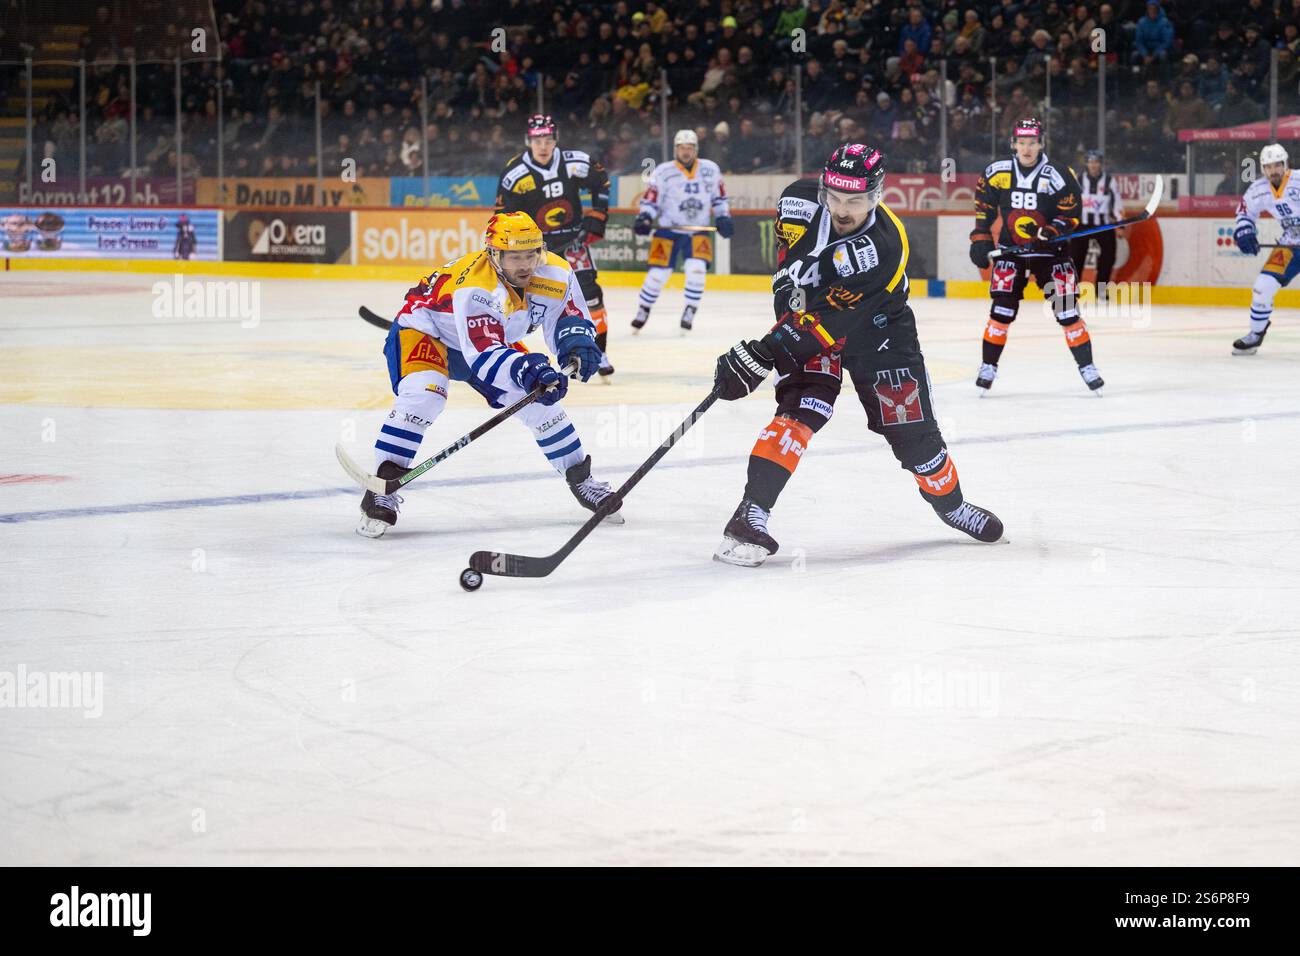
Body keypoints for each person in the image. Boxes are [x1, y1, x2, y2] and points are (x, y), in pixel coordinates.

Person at [709, 144, 1004, 567]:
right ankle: (749, 516)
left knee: (915, 439)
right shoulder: (797, 201)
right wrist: (762, 351)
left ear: (877, 195)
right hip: (811, 316)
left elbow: (839, 321)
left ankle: (951, 505)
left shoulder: (886, 245)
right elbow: (789, 279)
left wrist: (770, 350)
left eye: (855, 200)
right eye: (835, 197)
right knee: (802, 408)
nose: (842, 209)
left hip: (880, 331)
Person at [358, 212, 621, 537]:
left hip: (489, 341)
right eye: (514, 257)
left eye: (531, 254)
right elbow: (483, 356)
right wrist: (529, 369)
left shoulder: (555, 271)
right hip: (426, 330)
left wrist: (577, 343)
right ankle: (383, 485)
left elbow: (568, 313)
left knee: (539, 404)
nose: (525, 265)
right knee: (426, 394)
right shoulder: (478, 287)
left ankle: (581, 480)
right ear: (494, 255)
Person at [969, 117, 1103, 394]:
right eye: (1022, 143)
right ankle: (988, 367)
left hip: (1050, 253)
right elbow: (984, 205)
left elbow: (1072, 213)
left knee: (1067, 312)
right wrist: (981, 238)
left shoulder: (1058, 174)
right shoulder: (998, 172)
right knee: (1001, 311)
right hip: (1011, 252)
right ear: (1013, 144)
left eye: (1032, 142)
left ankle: (1087, 367)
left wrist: (1054, 229)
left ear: (1041, 143)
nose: (1027, 148)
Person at [495, 114, 615, 376]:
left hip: (574, 241)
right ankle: (499, 348)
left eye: (548, 139)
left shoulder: (575, 162)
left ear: (555, 140)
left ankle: (600, 352)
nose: (543, 145)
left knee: (590, 295)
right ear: (529, 141)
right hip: (536, 249)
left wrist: (598, 216)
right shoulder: (515, 174)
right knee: (512, 297)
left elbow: (601, 181)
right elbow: (502, 215)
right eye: (538, 140)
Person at [631, 129, 734, 332]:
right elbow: (652, 199)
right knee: (657, 275)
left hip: (698, 230)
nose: (686, 152)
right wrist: (644, 216)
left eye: (689, 148)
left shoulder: (710, 170)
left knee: (696, 270)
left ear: (696, 149)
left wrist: (723, 217)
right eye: (682, 148)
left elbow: (720, 198)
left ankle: (690, 309)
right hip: (668, 228)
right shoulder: (662, 171)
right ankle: (643, 309)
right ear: (675, 149)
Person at [1231, 143, 1300, 354]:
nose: (1274, 170)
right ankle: (1256, 334)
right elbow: (1244, 213)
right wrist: (1245, 232)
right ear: (1263, 168)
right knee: (1263, 287)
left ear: (1285, 164)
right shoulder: (1259, 190)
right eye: (1269, 167)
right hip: (1291, 244)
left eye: (1278, 165)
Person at [1068, 149, 1124, 301]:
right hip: (1083, 225)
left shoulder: (1109, 181)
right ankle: (1073, 289)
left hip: (1103, 225)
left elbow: (1117, 203)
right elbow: (1071, 202)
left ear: (1101, 164)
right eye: (1091, 162)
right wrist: (1068, 221)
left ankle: (1101, 290)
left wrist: (1120, 225)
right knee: (1075, 257)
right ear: (1087, 163)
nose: (1093, 165)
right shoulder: (1078, 179)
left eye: (1096, 162)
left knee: (1108, 256)